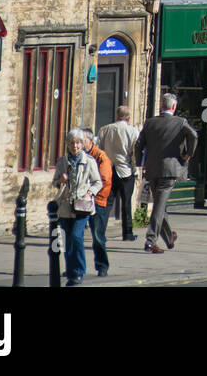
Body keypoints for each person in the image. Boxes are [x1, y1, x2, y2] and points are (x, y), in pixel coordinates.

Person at [134, 92, 197, 253]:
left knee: (160, 205)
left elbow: (138, 144)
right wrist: (189, 154)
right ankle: (150, 241)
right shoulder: (180, 122)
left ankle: (169, 237)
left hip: (152, 169)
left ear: (161, 106)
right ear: (174, 107)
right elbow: (194, 135)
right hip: (170, 169)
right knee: (159, 206)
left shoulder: (150, 123)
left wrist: (139, 162)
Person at [53, 129, 102, 286]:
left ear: (82, 144)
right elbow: (55, 182)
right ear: (67, 144)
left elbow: (98, 182)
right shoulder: (62, 162)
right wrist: (61, 180)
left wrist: (89, 193)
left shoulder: (89, 161)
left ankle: (79, 271)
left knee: (76, 237)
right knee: (67, 240)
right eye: (72, 143)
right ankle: (71, 269)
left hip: (82, 206)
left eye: (78, 143)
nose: (75, 146)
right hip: (66, 206)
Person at [97, 105, 141, 241]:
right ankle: (127, 233)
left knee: (107, 202)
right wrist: (135, 169)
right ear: (128, 117)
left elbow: (100, 150)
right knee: (126, 202)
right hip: (125, 170)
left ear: (117, 115)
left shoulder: (105, 130)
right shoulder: (133, 131)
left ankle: (100, 232)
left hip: (109, 169)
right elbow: (134, 154)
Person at [82, 129, 114, 277]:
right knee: (75, 236)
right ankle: (76, 266)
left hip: (96, 201)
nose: (79, 144)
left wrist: (94, 196)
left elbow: (104, 181)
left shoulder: (101, 157)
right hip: (80, 201)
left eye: (82, 141)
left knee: (97, 236)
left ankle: (102, 266)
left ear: (90, 141)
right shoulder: (79, 156)